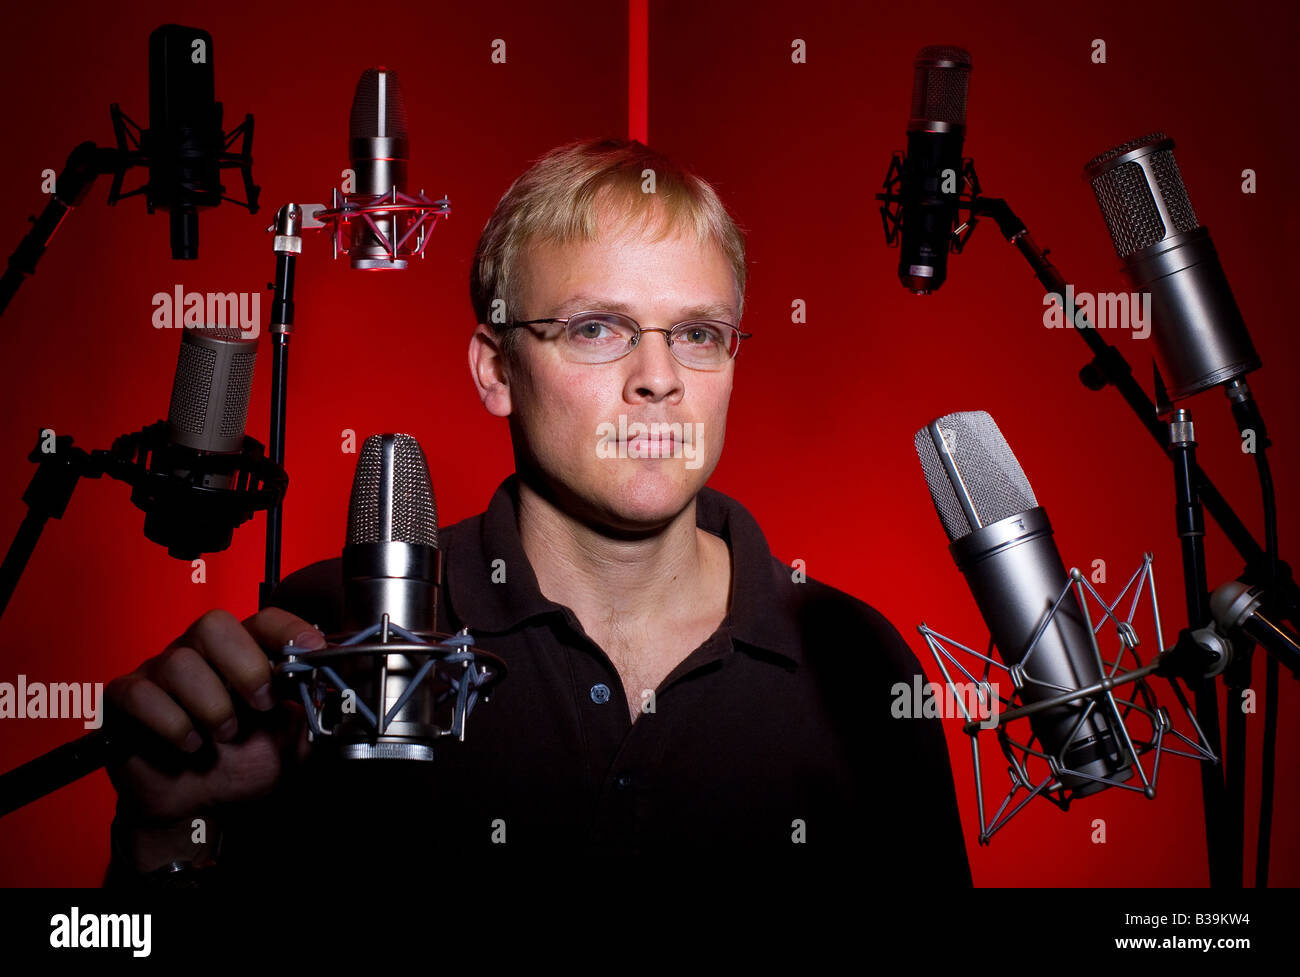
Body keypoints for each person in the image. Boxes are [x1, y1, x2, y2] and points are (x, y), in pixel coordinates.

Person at [104, 137, 973, 887]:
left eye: (699, 333)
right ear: (495, 368)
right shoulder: (338, 630)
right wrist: (162, 839)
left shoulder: (855, 658)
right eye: (599, 327)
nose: (660, 378)